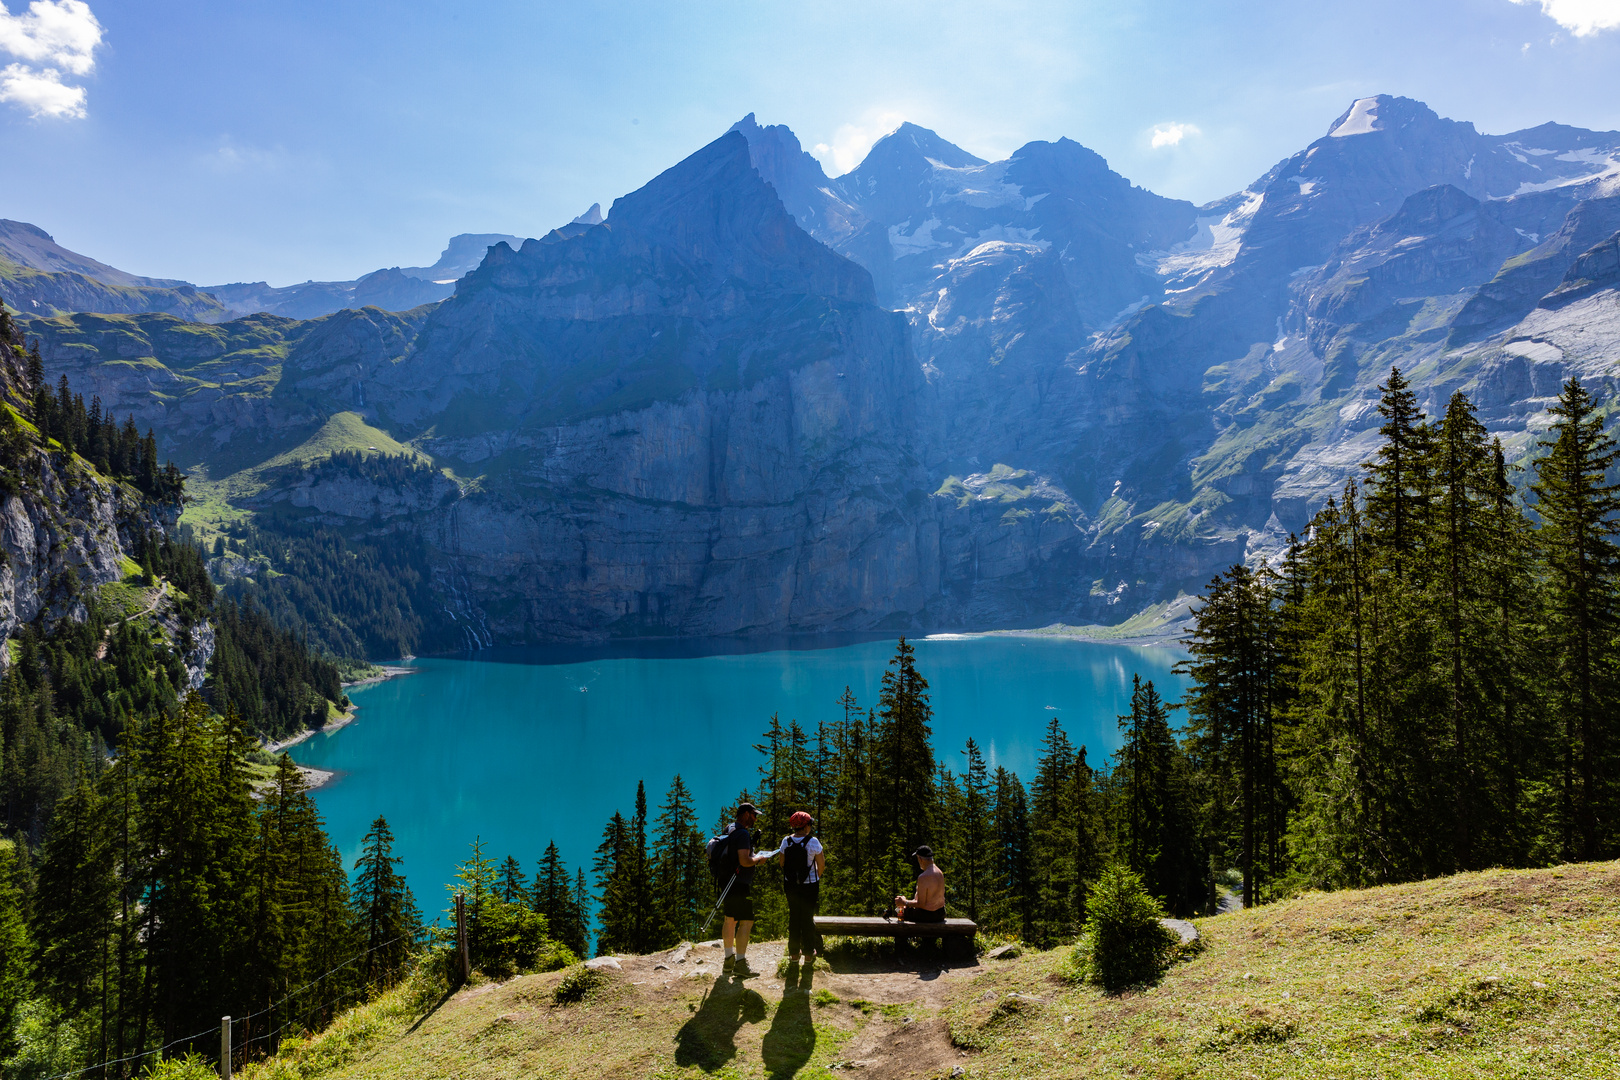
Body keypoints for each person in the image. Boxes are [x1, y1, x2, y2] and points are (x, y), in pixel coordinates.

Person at [720, 802, 773, 975]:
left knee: (729, 919)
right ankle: (740, 963)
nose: (755, 818)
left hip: (726, 881)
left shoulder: (729, 829)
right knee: (746, 921)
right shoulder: (742, 833)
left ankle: (728, 960)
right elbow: (744, 861)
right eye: (753, 814)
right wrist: (759, 859)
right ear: (745, 814)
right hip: (739, 883)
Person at [780, 811, 826, 965]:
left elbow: (782, 863)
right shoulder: (813, 842)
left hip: (791, 885)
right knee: (807, 918)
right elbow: (821, 864)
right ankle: (808, 953)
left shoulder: (786, 841)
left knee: (794, 917)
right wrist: (815, 877)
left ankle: (793, 953)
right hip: (810, 886)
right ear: (805, 825)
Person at [894, 845, 945, 923]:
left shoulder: (924, 877)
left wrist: (904, 902)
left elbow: (921, 904)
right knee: (904, 907)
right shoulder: (939, 872)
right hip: (940, 913)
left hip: (927, 916)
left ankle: (903, 934)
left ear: (920, 859)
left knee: (899, 910)